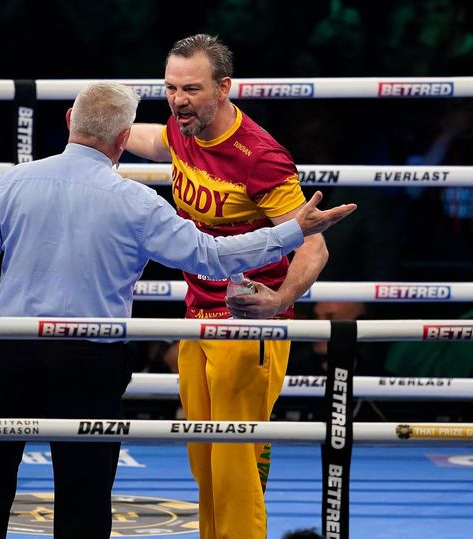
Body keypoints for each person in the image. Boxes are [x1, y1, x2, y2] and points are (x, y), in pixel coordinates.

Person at [0, 81, 355, 539]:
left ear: (69, 123)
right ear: (122, 141)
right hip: (90, 356)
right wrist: (291, 233)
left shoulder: (15, 182)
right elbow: (212, 256)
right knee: (85, 489)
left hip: (12, 347)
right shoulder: (134, 201)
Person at [125, 34, 331, 539]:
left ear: (223, 88)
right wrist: (91, 126)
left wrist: (280, 301)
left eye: (191, 88)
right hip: (197, 317)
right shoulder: (182, 131)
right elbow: (152, 140)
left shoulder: (259, 156)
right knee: (203, 457)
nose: (178, 99)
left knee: (235, 461)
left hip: (248, 324)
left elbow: (313, 246)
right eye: (171, 87)